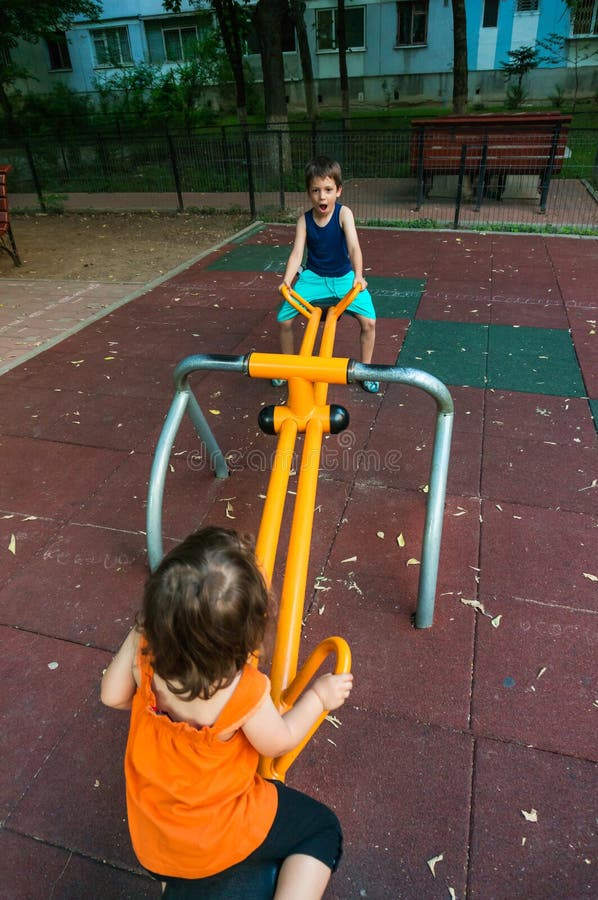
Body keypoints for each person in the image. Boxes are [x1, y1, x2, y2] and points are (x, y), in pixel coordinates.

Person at [101, 526, 353, 899]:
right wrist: (318, 697)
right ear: (249, 638)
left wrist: (141, 645)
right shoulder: (243, 692)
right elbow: (277, 743)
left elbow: (112, 696)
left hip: (153, 843)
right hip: (215, 837)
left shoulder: (143, 649)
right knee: (321, 828)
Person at [274, 155, 378, 393]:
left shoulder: (344, 214)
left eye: (328, 190)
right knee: (284, 320)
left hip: (344, 278)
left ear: (338, 191)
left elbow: (353, 247)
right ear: (309, 193)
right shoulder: (304, 220)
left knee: (369, 322)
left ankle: (366, 370)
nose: (322, 197)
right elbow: (297, 253)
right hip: (313, 278)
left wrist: (358, 276)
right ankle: (289, 369)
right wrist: (287, 281)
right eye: (316, 190)